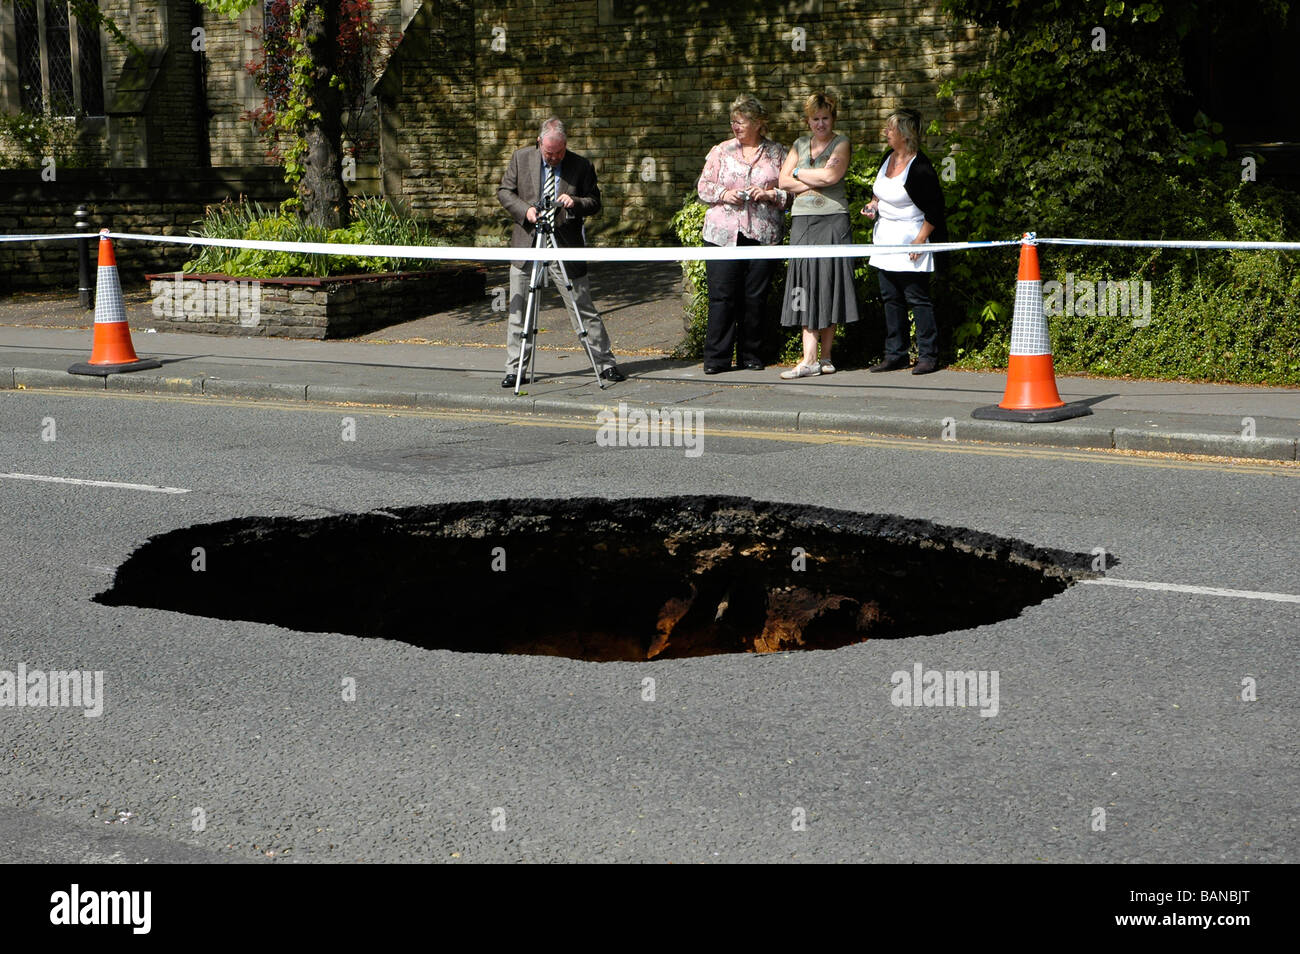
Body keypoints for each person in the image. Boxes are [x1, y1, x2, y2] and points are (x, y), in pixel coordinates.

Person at [497, 116, 625, 388]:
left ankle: (605, 364)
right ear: (539, 143)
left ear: (565, 145)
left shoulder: (581, 165)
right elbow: (505, 192)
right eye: (549, 153)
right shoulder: (520, 158)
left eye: (559, 153)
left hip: (564, 245)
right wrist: (525, 211)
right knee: (520, 310)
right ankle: (515, 370)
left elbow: (594, 202)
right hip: (528, 244)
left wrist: (575, 202)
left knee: (582, 306)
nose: (554, 158)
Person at [695, 94, 790, 374]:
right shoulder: (721, 151)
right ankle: (717, 358)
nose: (735, 127)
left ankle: (752, 355)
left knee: (755, 297)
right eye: (733, 122)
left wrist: (771, 194)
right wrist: (725, 193)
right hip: (723, 235)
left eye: (741, 121)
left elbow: (792, 193)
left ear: (759, 123)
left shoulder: (778, 153)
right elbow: (703, 187)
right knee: (722, 296)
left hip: (763, 234)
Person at [777, 91, 859, 379]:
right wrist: (813, 178)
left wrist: (799, 173)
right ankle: (810, 358)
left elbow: (830, 177)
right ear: (808, 121)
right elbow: (782, 181)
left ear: (833, 119)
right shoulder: (799, 144)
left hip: (833, 220)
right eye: (815, 119)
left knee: (828, 281)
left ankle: (824, 357)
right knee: (805, 283)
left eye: (825, 118)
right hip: (803, 221)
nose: (820, 123)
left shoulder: (841, 142)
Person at [861, 108, 948, 375]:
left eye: (890, 128)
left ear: (905, 134)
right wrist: (873, 205)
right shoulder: (887, 158)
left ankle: (928, 355)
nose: (885, 132)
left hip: (912, 238)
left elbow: (935, 209)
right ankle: (895, 354)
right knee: (890, 297)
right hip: (884, 239)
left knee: (917, 298)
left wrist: (920, 240)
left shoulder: (920, 167)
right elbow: (879, 193)